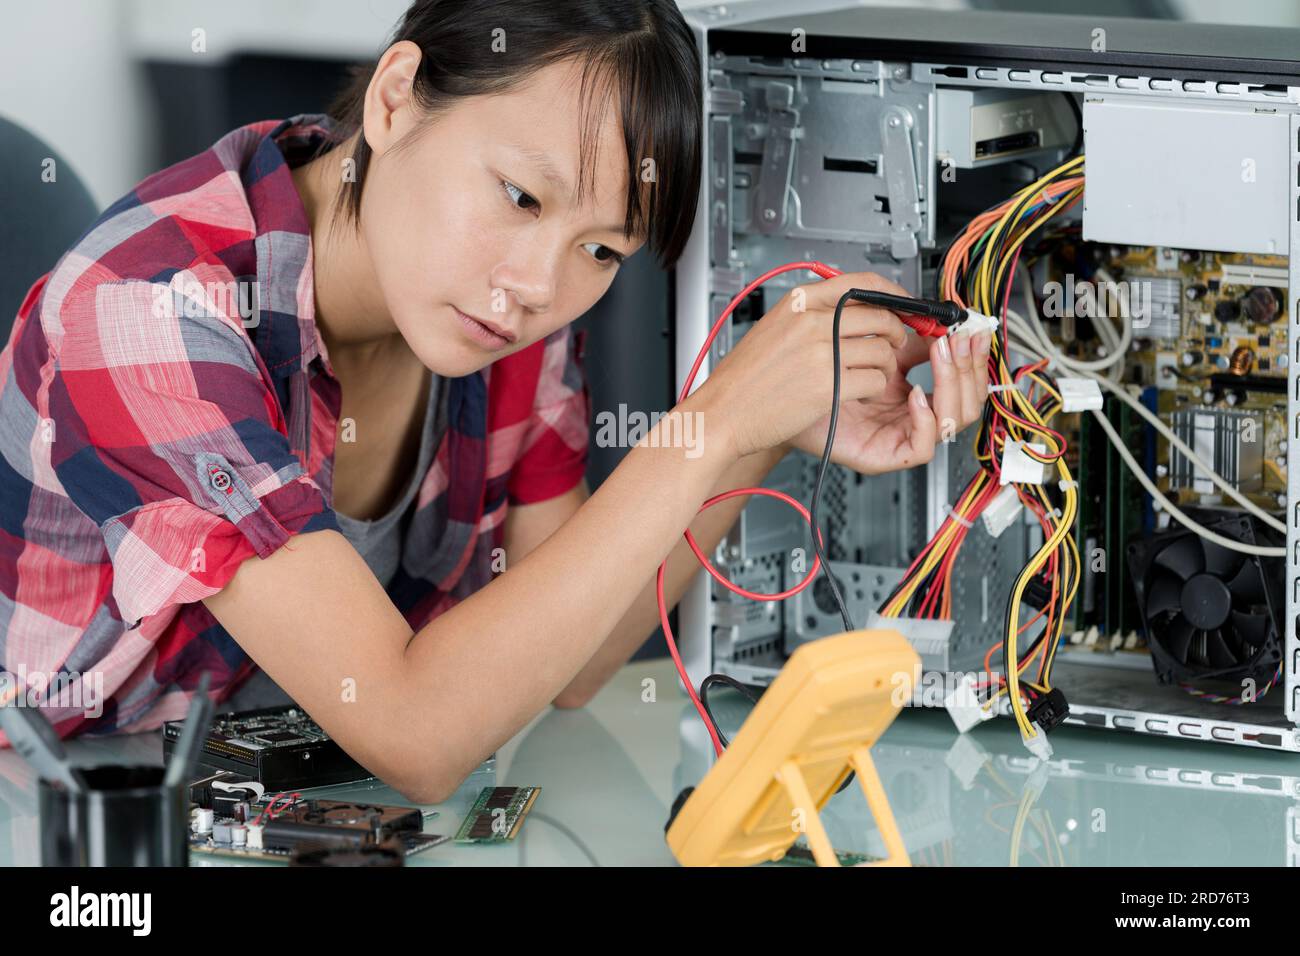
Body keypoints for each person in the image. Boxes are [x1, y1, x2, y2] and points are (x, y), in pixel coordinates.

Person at [0, 0, 990, 802]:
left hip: (296, 810)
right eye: (519, 195)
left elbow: (573, 657)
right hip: (67, 825)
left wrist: (770, 425)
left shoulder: (496, 311)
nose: (539, 284)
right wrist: (720, 418)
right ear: (395, 101)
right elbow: (415, 729)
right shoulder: (147, 314)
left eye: (602, 249)